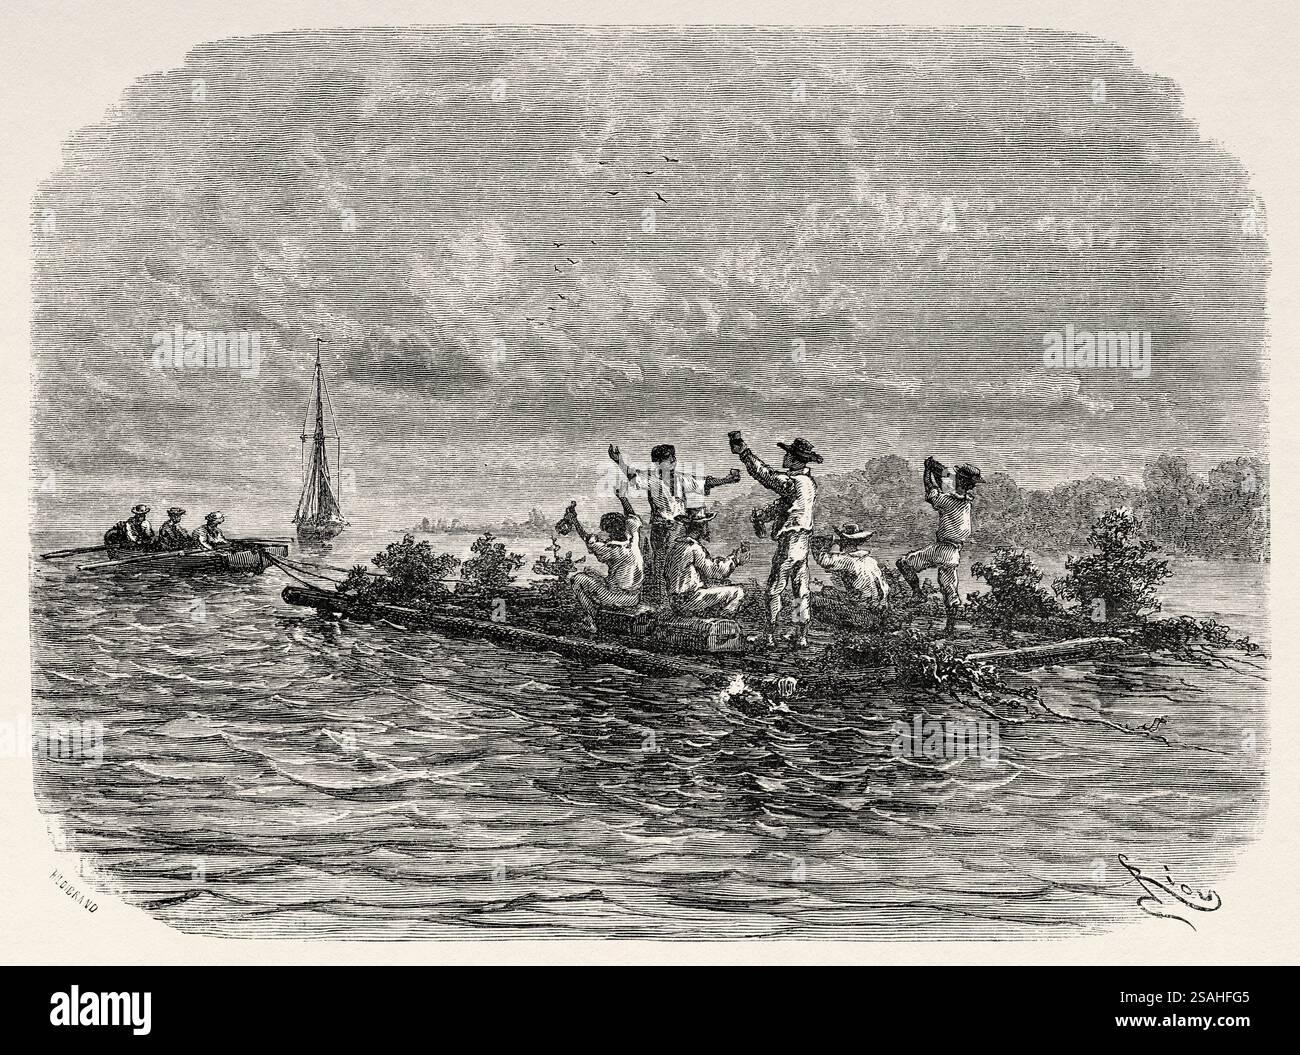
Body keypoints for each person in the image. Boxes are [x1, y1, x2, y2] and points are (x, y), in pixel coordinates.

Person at [608, 443, 741, 604]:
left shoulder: (680, 478)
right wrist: (619, 460)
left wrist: (727, 480)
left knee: (683, 562)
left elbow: (704, 482)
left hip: (680, 527)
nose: (673, 459)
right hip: (661, 529)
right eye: (667, 458)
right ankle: (662, 603)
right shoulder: (651, 479)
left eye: (673, 456)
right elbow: (632, 475)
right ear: (657, 463)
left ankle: (684, 596)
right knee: (662, 565)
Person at [730, 432, 821, 649]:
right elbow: (785, 505)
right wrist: (762, 516)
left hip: (790, 542)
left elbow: (767, 476)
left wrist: (744, 453)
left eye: (787, 454)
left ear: (794, 459)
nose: (784, 458)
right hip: (803, 541)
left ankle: (769, 636)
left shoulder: (793, 481)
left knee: (774, 589)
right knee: (801, 590)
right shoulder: (808, 483)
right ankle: (801, 636)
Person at [897, 457, 982, 633]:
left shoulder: (949, 500)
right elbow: (948, 478)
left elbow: (931, 489)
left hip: (942, 549)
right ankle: (950, 629)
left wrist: (928, 470)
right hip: (954, 552)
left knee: (904, 564)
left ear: (960, 480)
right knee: (950, 590)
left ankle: (918, 594)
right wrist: (937, 468)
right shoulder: (967, 498)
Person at [557, 490, 645, 632]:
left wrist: (574, 520)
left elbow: (586, 538)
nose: (601, 532)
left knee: (577, 579)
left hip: (617, 597)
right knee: (589, 571)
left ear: (610, 531)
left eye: (603, 529)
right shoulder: (633, 538)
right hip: (635, 596)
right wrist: (622, 497)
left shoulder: (610, 549)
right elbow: (632, 516)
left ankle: (592, 621)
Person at [662, 507, 748, 618]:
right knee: (738, 592)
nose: (707, 528)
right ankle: (723, 623)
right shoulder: (693, 547)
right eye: (706, 524)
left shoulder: (676, 547)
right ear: (700, 527)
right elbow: (715, 571)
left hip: (675, 602)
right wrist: (735, 559)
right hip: (689, 600)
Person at [814, 523, 890, 605]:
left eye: (840, 540)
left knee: (821, 597)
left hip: (862, 605)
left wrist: (826, 542)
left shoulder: (845, 560)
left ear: (843, 542)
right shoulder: (870, 560)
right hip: (881, 604)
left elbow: (822, 559)